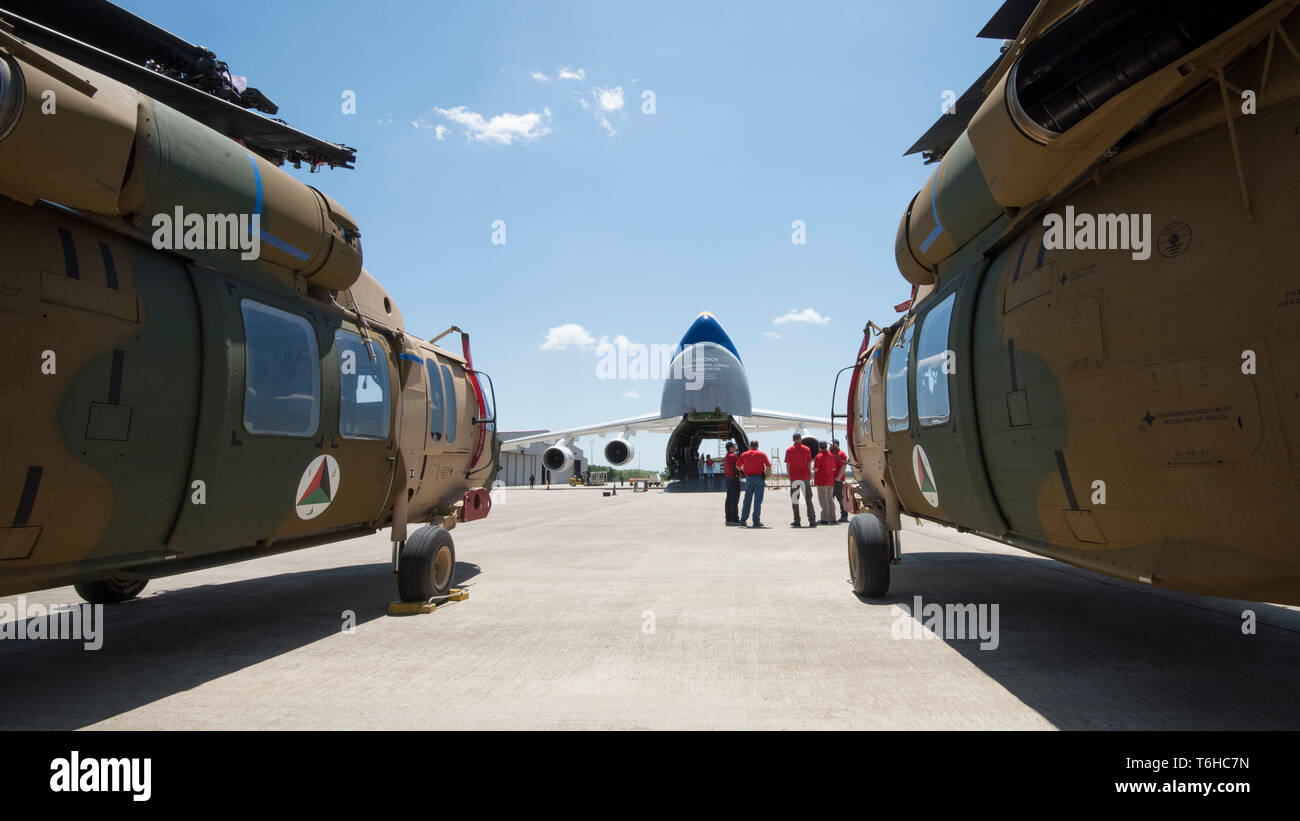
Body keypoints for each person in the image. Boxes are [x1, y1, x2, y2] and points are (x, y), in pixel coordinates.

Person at [784, 433, 816, 528]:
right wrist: (809, 476)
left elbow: (788, 465)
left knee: (795, 500)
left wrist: (790, 476)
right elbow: (809, 464)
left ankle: (797, 520)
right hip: (805, 477)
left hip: (794, 478)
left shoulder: (789, 450)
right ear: (801, 439)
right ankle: (812, 520)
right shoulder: (807, 449)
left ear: (793, 440)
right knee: (808, 500)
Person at [737, 439, 770, 528]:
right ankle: (756, 521)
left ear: (750, 446)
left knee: (747, 499)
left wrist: (744, 470)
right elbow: (768, 465)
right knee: (758, 501)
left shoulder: (744, 454)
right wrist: (766, 476)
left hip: (749, 479)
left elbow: (737, 466)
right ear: (757, 446)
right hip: (759, 478)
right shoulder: (762, 454)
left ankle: (743, 520)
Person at [813, 441, 836, 524]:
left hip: (822, 481)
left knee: (823, 500)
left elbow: (816, 469)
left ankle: (825, 518)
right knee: (830, 499)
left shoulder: (818, 456)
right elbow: (833, 468)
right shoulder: (831, 456)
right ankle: (833, 517)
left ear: (819, 447)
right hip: (830, 481)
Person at [830, 440, 849, 522]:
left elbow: (843, 467)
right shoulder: (830, 453)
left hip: (837, 480)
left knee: (840, 498)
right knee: (829, 498)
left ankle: (844, 515)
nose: (830, 446)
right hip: (829, 480)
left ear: (837, 445)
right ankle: (830, 515)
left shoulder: (841, 454)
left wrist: (838, 477)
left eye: (832, 444)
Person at [722, 442, 741, 525]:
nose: (735, 448)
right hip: (734, 479)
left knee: (729, 499)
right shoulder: (733, 456)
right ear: (730, 448)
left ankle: (728, 518)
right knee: (734, 500)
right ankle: (734, 519)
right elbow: (738, 467)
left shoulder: (726, 456)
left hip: (728, 479)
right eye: (734, 446)